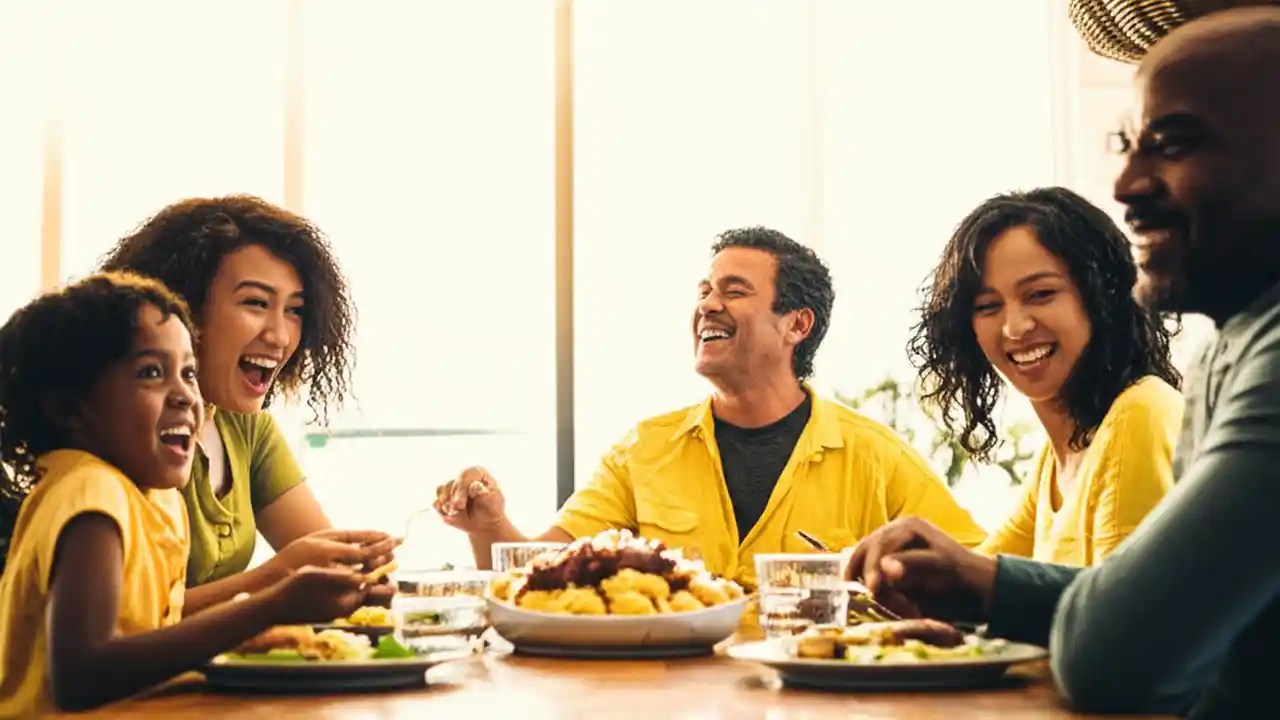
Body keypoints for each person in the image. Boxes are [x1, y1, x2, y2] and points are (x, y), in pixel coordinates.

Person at [845, 8, 1280, 717]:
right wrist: (975, 582)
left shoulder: (1207, 386)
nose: (1126, 183)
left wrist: (990, 587)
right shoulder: (1231, 348)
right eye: (1127, 146)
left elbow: (1118, 654)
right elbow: (1130, 613)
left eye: (1173, 144)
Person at [436, 226, 986, 586]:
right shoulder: (643, 450)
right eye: (704, 291)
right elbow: (537, 576)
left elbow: (977, 574)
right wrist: (489, 525)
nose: (708, 305)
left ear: (797, 324)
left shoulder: (876, 456)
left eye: (734, 291)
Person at [0, 272, 370, 715]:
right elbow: (81, 676)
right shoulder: (90, 492)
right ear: (68, 409)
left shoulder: (156, 498)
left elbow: (155, 632)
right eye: (151, 373)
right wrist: (269, 607)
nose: (185, 396)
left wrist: (259, 622)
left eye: (188, 373)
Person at [99, 196, 395, 613]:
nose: (280, 336)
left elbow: (323, 565)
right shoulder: (119, 435)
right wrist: (276, 580)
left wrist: (360, 576)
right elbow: (125, 622)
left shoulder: (247, 430)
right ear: (184, 308)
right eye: (256, 303)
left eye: (295, 310)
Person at [910, 187, 1182, 566]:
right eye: (988, 306)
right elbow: (976, 574)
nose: (1015, 327)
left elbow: (1126, 601)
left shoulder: (1140, 412)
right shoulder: (1058, 455)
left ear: (1101, 296)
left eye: (1040, 294)